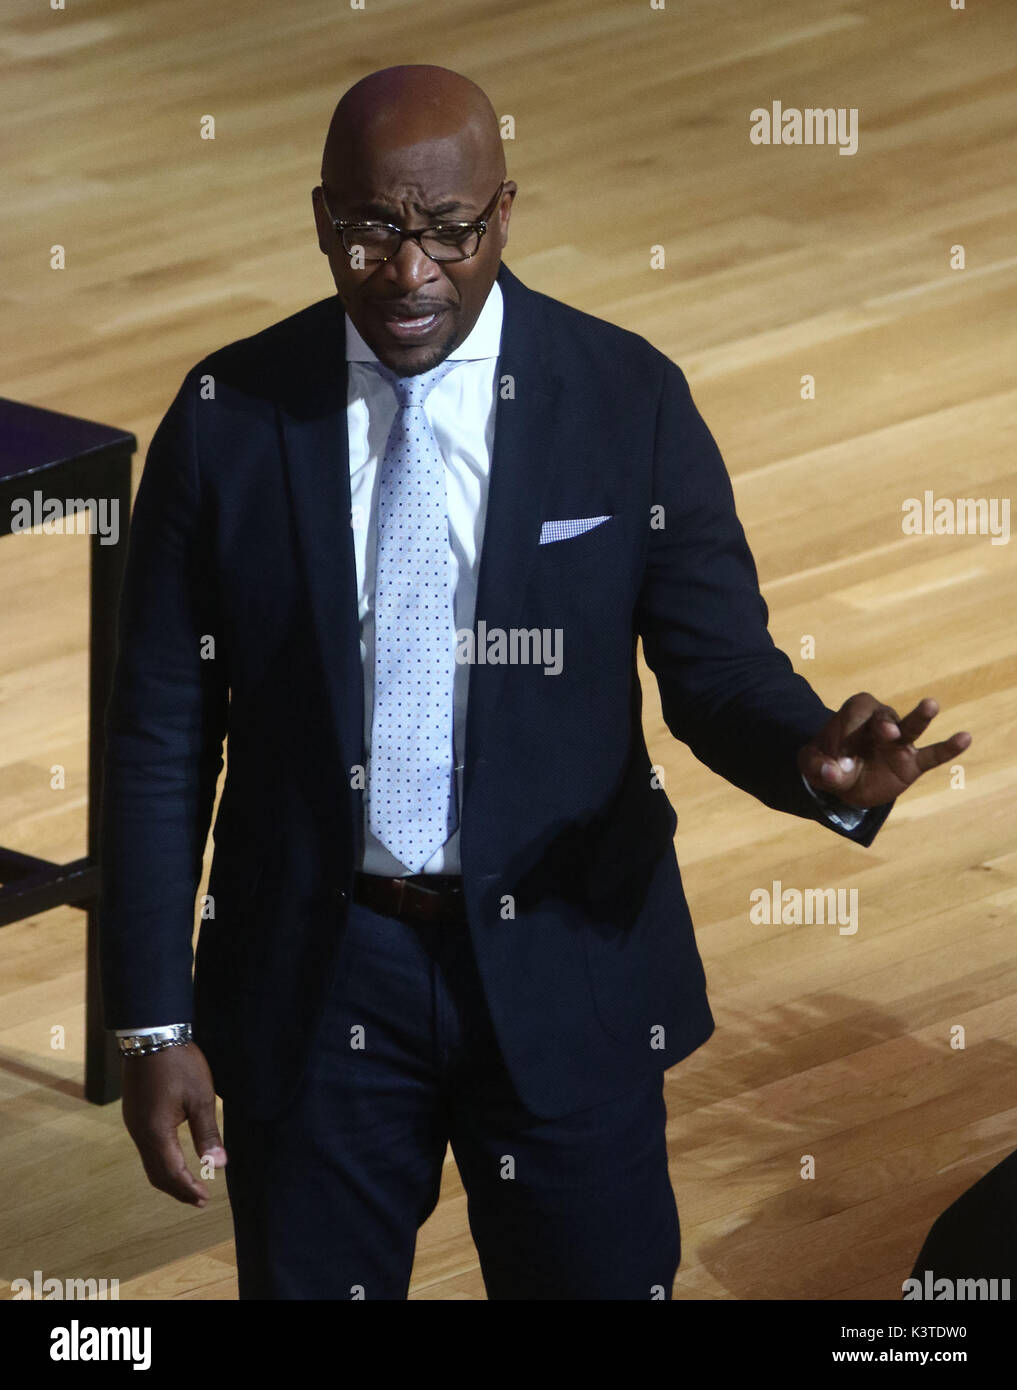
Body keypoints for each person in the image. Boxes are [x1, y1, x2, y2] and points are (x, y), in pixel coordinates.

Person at [99, 64, 972, 1300]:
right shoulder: (229, 416)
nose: (410, 273)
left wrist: (807, 755)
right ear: (319, 217)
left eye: (449, 233)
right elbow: (159, 737)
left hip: (567, 966)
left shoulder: (626, 399)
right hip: (318, 975)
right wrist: (152, 1021)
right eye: (371, 231)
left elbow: (717, 665)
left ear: (504, 213)